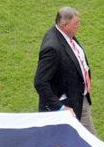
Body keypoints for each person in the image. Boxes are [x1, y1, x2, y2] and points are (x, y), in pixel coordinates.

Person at [34, 7, 97, 135]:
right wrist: (61, 108)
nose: (79, 26)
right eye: (75, 24)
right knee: (76, 142)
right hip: (67, 107)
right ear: (65, 25)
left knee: (89, 140)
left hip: (79, 99)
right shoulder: (52, 48)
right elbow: (40, 82)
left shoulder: (67, 35)